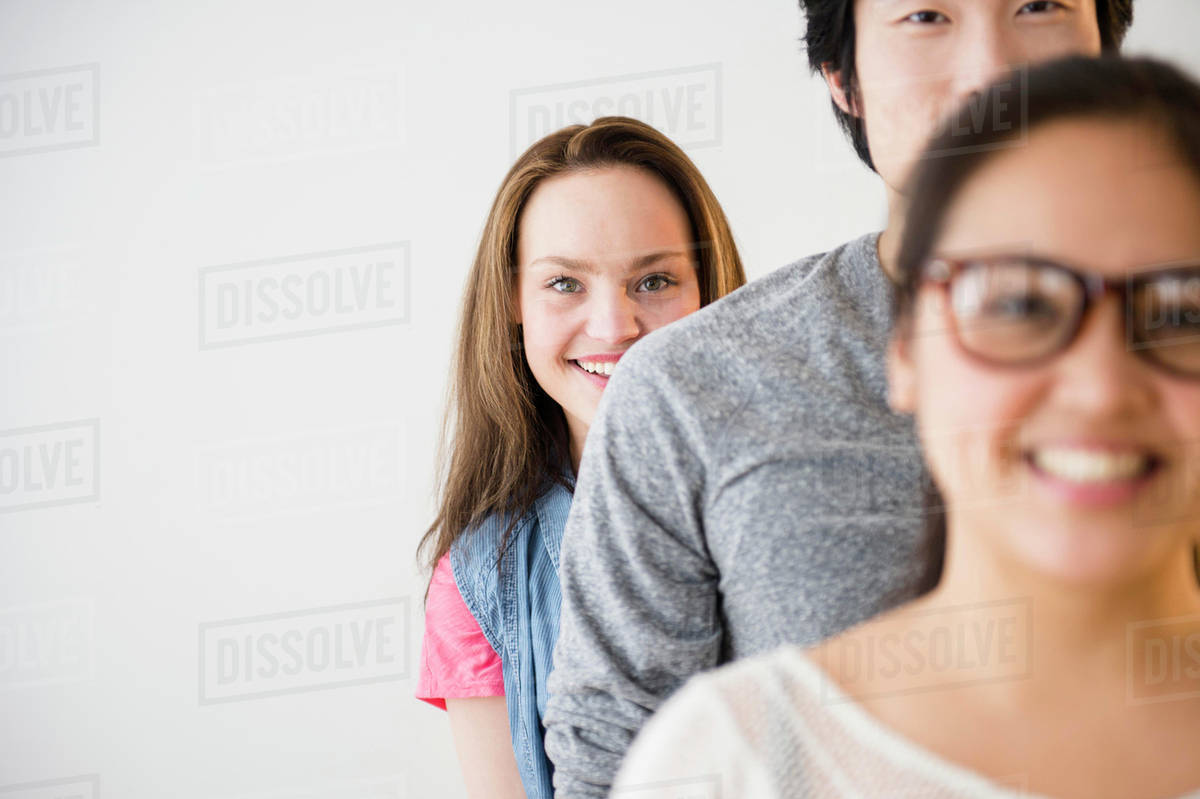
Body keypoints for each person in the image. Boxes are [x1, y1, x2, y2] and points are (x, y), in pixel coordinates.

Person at [544, 2, 1136, 795]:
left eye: (1038, 5)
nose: (991, 71)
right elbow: (615, 760)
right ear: (841, 76)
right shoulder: (689, 388)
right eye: (927, 15)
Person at [413, 116, 746, 799]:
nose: (614, 325)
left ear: (709, 287)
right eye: (565, 283)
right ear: (513, 300)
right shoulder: (478, 576)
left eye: (654, 281)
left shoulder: (809, 487)